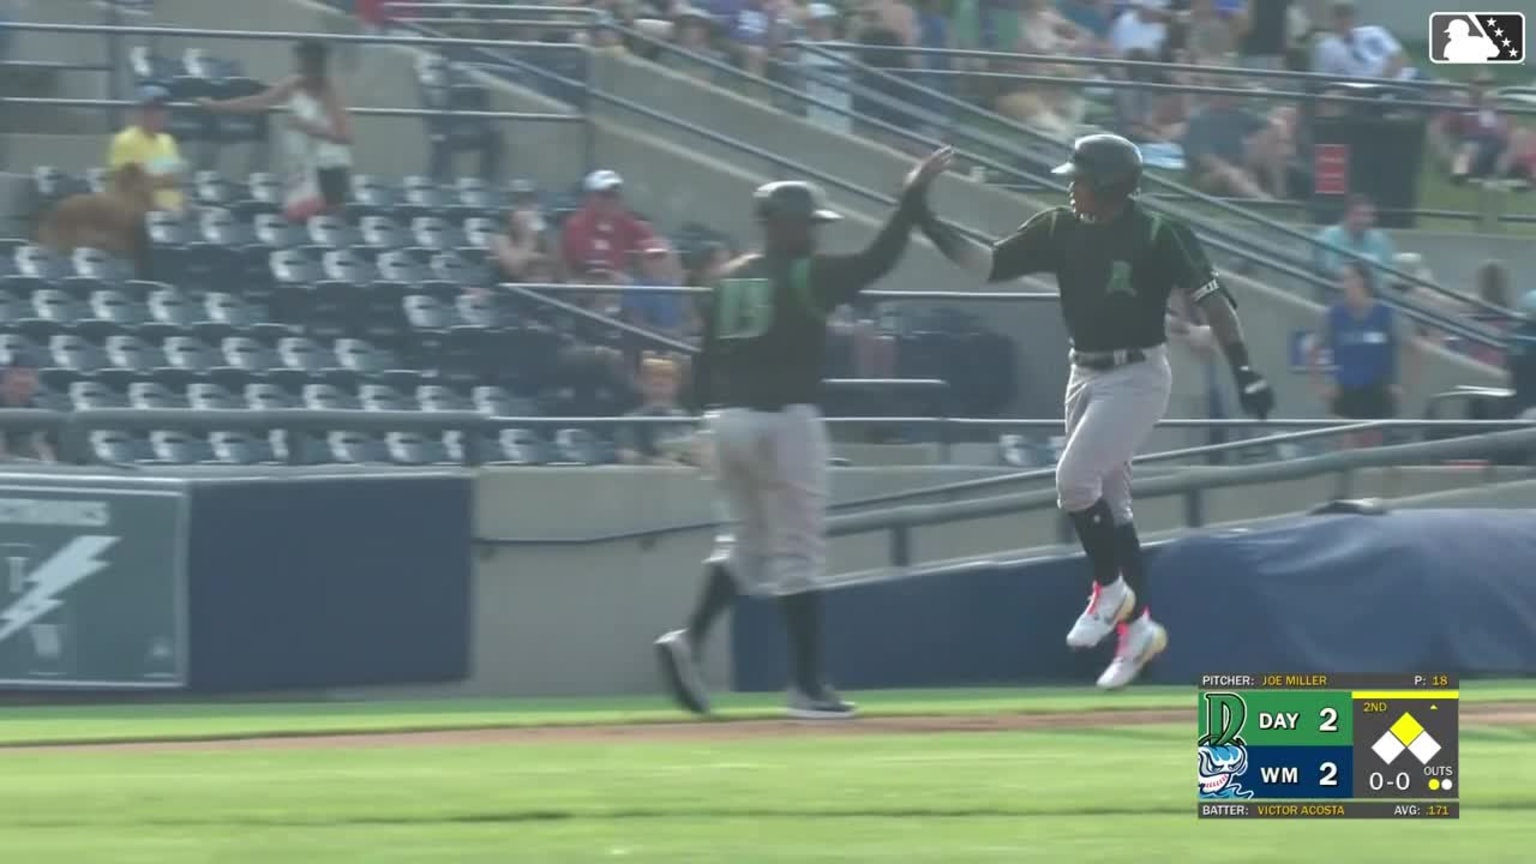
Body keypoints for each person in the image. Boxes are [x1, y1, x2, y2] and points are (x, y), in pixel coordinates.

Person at [913, 134, 1274, 689]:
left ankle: (1109, 590)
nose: (1072, 187)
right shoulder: (1059, 227)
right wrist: (927, 218)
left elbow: (1212, 301)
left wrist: (1244, 368)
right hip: (1083, 372)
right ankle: (1139, 633)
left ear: (1110, 186)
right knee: (1112, 505)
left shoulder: (1159, 233)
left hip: (1137, 375)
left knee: (1073, 481)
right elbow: (987, 264)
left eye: (1081, 178)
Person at [653, 148, 951, 720]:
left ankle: (688, 638)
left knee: (744, 544)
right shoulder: (804, 274)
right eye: (808, 223)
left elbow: (702, 361)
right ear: (780, 225)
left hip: (725, 422)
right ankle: (808, 687)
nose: (815, 232)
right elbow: (878, 260)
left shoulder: (727, 278)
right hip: (782, 421)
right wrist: (910, 201)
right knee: (798, 555)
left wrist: (705, 424)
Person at [200, 39, 354, 220]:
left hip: (328, 168)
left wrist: (309, 128)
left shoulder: (330, 91)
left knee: (326, 223)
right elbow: (258, 101)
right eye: (301, 59)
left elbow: (346, 136)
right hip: (302, 169)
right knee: (298, 219)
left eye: (307, 60)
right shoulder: (293, 84)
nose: (302, 64)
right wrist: (218, 106)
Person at [1309, 263, 1413, 441]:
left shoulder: (1386, 314)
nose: (1343, 285)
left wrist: (1404, 386)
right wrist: (1320, 387)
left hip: (1377, 392)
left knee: (1372, 453)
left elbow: (1413, 349)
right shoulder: (1333, 315)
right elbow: (1313, 350)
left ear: (1362, 281)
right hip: (1345, 392)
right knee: (1346, 446)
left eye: (1348, 279)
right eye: (1342, 280)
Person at [561, 170, 658, 276]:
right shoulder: (577, 225)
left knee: (663, 247)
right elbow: (588, 265)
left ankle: (672, 289)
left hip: (620, 282)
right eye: (605, 195)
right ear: (589, 197)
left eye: (615, 194)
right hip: (588, 283)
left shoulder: (623, 221)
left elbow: (651, 244)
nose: (612, 199)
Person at [107, 85, 186, 214]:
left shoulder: (168, 141)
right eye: (154, 108)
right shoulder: (124, 140)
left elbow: (174, 179)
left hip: (172, 208)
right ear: (141, 111)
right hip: (138, 210)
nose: (161, 113)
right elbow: (126, 183)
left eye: (163, 108)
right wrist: (160, 174)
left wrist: (149, 171)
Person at [616, 354, 697, 465]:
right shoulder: (632, 420)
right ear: (641, 384)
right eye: (651, 377)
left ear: (677, 384)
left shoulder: (688, 418)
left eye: (667, 376)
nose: (659, 383)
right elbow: (626, 456)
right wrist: (658, 463)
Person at [1312, 193, 1395, 277]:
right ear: (1347, 215)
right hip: (1338, 287)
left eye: (1371, 215)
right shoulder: (1329, 236)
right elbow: (1330, 269)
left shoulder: (1380, 239)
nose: (1367, 220)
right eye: (1361, 215)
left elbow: (1390, 272)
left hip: (1376, 287)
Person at [0, 356, 56, 463]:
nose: (27, 380)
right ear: (3, 382)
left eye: (32, 375)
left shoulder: (38, 412)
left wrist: (49, 465)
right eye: (21, 374)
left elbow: (42, 446)